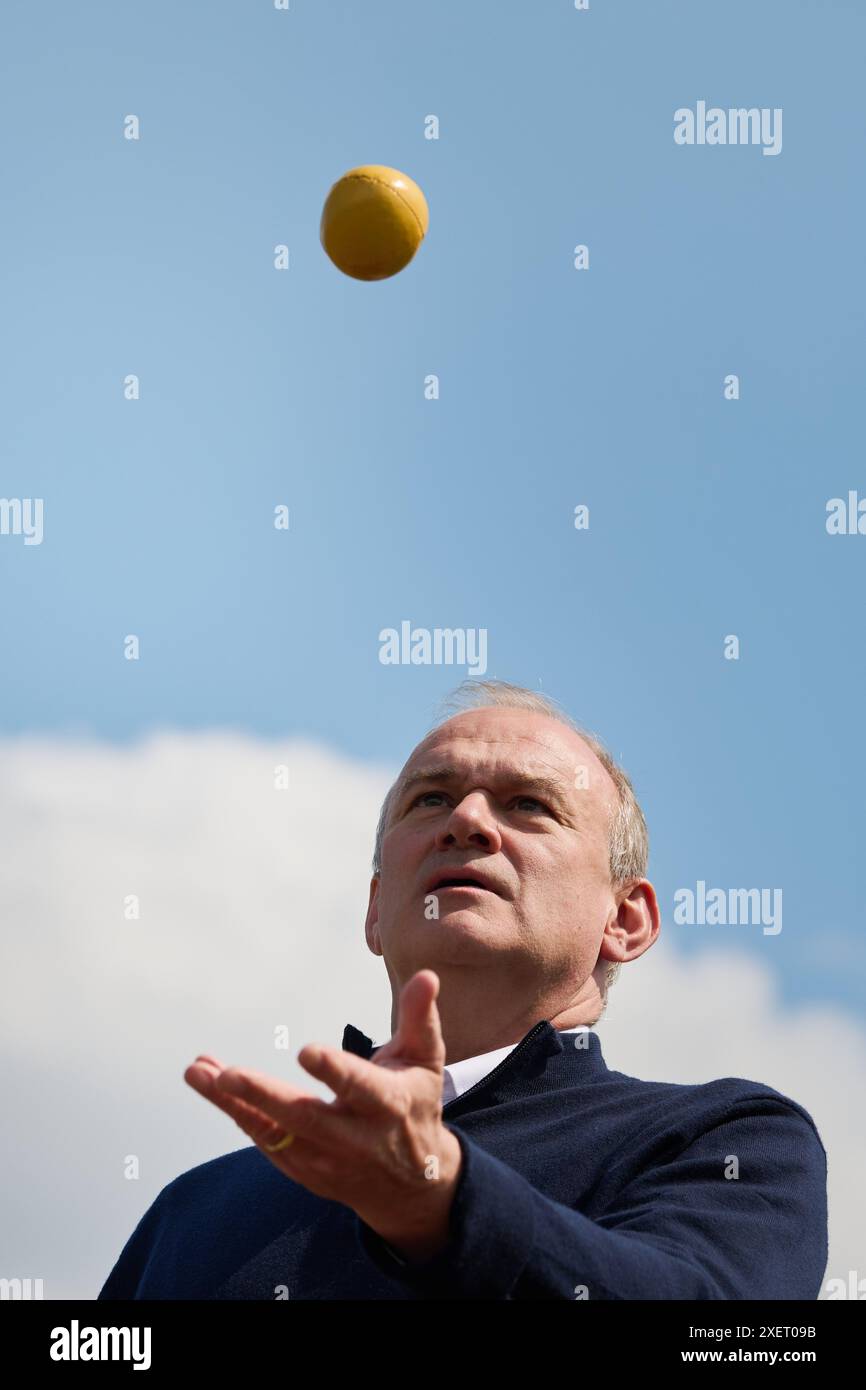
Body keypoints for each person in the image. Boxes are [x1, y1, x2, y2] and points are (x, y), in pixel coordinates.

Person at [98, 679, 827, 1300]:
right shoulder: (194, 1210)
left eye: (529, 804)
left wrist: (443, 1201)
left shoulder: (725, 1140)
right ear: (375, 910)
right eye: (431, 799)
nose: (467, 822)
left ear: (625, 919)